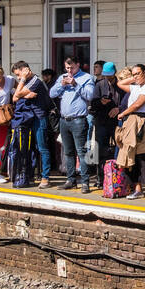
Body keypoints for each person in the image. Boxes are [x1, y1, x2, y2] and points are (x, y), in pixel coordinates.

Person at [49, 56, 95, 192]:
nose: (69, 70)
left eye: (72, 67)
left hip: (79, 120)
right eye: (67, 68)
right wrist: (61, 85)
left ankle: (85, 182)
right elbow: (51, 94)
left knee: (81, 152)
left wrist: (75, 84)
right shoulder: (62, 77)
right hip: (64, 119)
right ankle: (70, 180)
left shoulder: (86, 77)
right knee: (68, 152)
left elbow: (90, 95)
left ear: (78, 65)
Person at [116, 64, 145, 204]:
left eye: (138, 73)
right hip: (131, 121)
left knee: (144, 157)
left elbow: (137, 104)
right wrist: (133, 78)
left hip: (142, 121)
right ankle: (138, 189)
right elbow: (120, 82)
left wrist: (122, 113)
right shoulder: (135, 86)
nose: (135, 76)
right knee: (130, 155)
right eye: (133, 74)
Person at [90, 62, 120, 169]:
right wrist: (101, 102)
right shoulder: (100, 84)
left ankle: (118, 174)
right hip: (102, 121)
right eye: (106, 74)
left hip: (117, 121)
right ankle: (101, 176)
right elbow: (93, 103)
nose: (108, 77)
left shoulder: (121, 84)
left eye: (110, 74)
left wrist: (118, 108)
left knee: (119, 146)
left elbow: (128, 102)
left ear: (114, 73)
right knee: (101, 148)